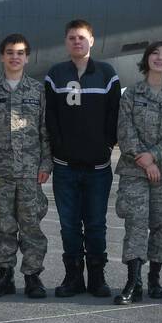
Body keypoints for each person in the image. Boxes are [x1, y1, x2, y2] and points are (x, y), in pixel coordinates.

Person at [44, 19, 121, 297]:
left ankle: (97, 278)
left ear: (92, 41)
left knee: (96, 223)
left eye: (82, 38)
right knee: (69, 225)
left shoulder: (107, 73)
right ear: (66, 43)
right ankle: (73, 277)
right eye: (72, 38)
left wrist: (106, 144)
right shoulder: (55, 74)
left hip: (98, 167)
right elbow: (49, 117)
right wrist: (59, 148)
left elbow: (115, 114)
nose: (77, 42)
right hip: (65, 167)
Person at [0, 34, 52, 300]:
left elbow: (46, 130)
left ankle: (32, 276)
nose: (15, 57)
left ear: (27, 58)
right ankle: (4, 275)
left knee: (31, 225)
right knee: (3, 226)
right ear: (2, 56)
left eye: (20, 53)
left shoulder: (38, 90)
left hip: (31, 171)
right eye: (10, 52)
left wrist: (46, 163)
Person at [114, 41, 162, 304]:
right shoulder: (131, 95)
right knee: (135, 224)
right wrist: (144, 161)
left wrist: (155, 157)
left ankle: (155, 278)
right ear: (146, 60)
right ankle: (133, 282)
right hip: (134, 172)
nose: (159, 58)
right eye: (154, 54)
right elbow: (125, 131)